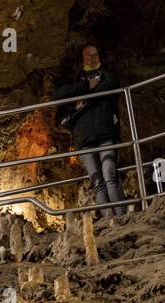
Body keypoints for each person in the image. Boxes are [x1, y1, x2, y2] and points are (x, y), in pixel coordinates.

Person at [57, 44, 128, 218]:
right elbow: (58, 95)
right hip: (84, 135)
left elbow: (110, 86)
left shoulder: (107, 74)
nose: (93, 57)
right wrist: (86, 86)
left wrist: (85, 99)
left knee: (110, 173)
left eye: (95, 54)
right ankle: (109, 221)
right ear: (81, 59)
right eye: (88, 55)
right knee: (97, 181)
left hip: (105, 131)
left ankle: (123, 217)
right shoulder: (75, 80)